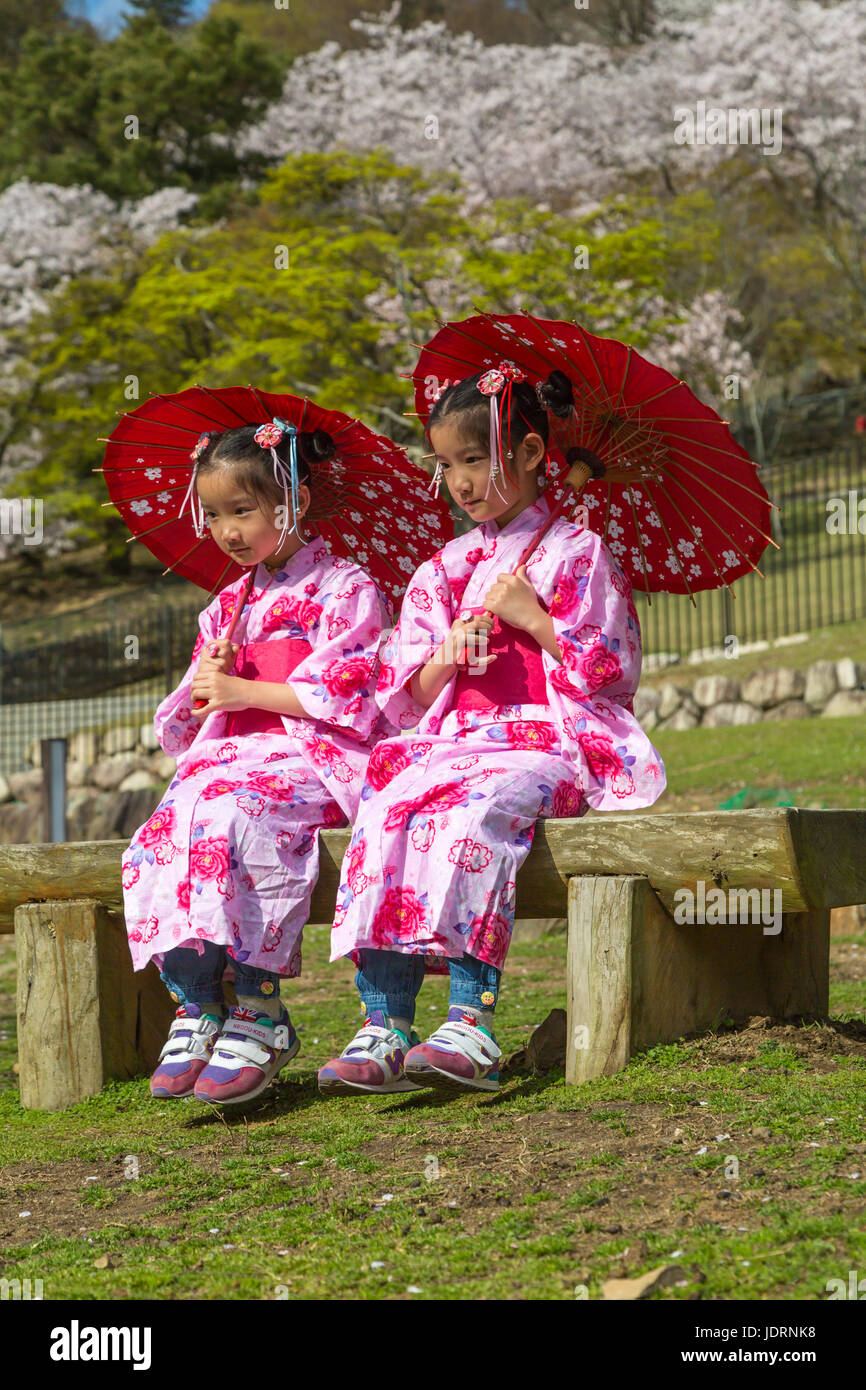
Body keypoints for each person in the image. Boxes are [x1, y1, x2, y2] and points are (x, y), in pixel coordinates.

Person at [318, 364, 666, 1096]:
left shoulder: (578, 551)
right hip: (456, 741)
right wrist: (449, 653)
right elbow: (404, 695)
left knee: (478, 811)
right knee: (386, 808)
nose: (461, 482)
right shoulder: (440, 569)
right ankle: (384, 1020)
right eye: (447, 465)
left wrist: (534, 619)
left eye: (475, 460)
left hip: (545, 741)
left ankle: (469, 1020)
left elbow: (610, 671)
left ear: (535, 454)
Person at [122, 417, 390, 1104]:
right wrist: (207, 679)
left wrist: (245, 688)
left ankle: (261, 1007)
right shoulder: (227, 606)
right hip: (234, 759)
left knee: (233, 817)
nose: (227, 531)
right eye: (213, 515)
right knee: (159, 832)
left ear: (292, 499)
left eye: (242, 511)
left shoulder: (346, 588)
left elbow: (352, 694)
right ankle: (199, 1003)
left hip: (308, 757)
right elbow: (189, 720)